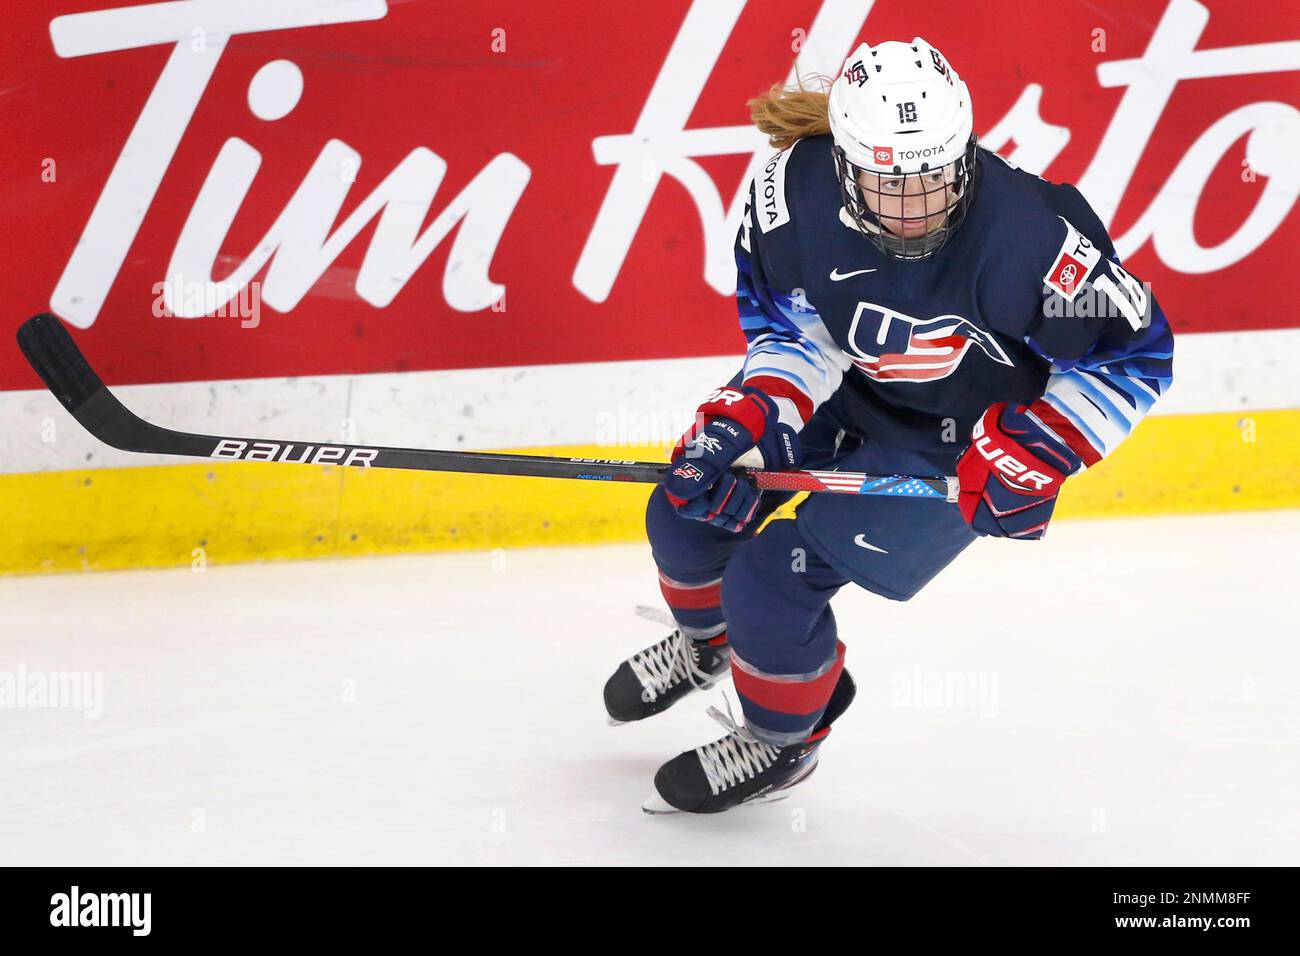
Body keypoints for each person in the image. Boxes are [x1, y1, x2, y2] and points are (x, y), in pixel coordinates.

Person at [602, 37, 1175, 814]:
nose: (916, 209)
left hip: (961, 449)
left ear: (964, 152)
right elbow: (797, 331)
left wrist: (1036, 451)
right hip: (851, 393)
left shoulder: (1031, 238)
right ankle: (711, 642)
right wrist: (758, 413)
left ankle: (782, 740)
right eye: (886, 183)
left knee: (770, 585)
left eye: (935, 179)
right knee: (682, 511)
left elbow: (1130, 357)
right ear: (842, 162)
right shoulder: (788, 191)